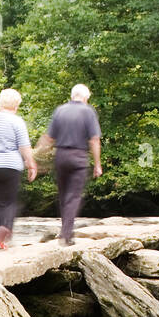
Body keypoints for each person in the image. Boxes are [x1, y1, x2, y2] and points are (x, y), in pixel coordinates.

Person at [36, 83, 102, 245]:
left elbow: (49, 138)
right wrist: (97, 164)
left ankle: (65, 231)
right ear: (85, 97)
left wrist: (36, 158)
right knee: (73, 196)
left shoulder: (60, 110)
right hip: (78, 157)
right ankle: (66, 235)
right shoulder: (88, 111)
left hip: (61, 156)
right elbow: (94, 140)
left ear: (72, 96)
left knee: (64, 195)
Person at [0, 89, 38, 250]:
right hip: (10, 165)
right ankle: (1, 236)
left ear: (0, 103)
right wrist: (31, 164)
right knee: (7, 202)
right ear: (16, 105)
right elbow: (24, 146)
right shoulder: (17, 122)